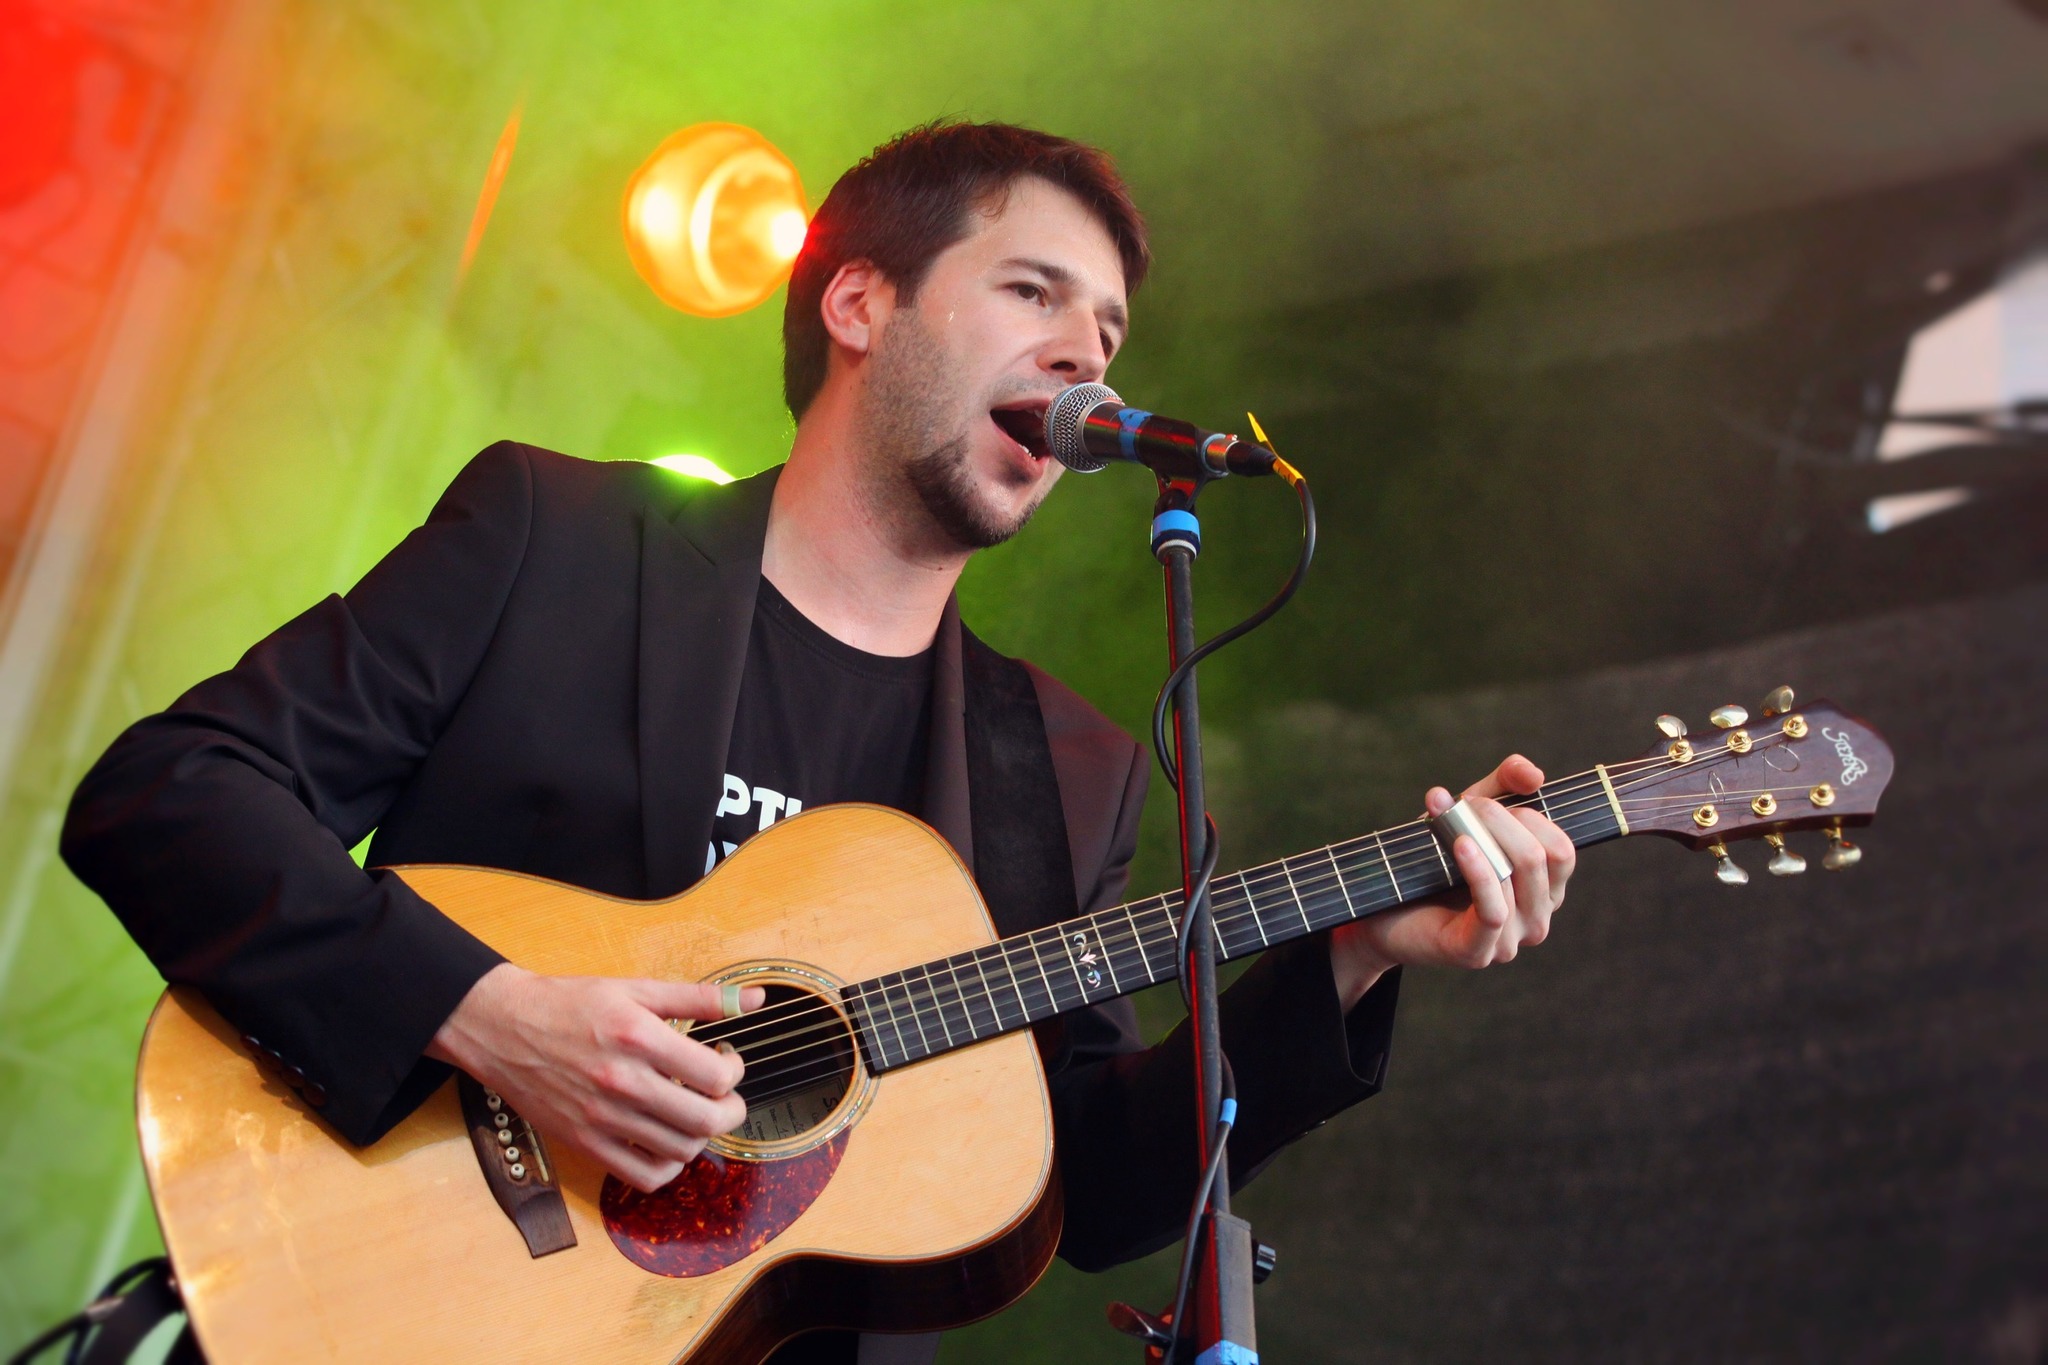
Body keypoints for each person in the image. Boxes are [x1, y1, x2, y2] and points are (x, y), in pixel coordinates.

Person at [62, 121, 1574, 1363]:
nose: (1089, 360)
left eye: (1109, 331)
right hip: (389, 1303)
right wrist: (489, 1012)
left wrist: (1348, 955)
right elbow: (166, 794)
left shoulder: (1067, 768)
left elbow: (1096, 1185)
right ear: (859, 305)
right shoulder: (558, 543)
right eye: (1033, 293)